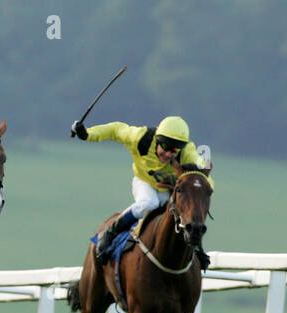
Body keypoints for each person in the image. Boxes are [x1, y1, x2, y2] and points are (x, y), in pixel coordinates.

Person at [70, 114, 212, 266]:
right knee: (148, 203)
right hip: (143, 182)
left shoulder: (187, 152)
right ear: (157, 140)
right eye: (165, 147)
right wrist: (87, 134)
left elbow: (202, 178)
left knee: (179, 211)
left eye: (174, 150)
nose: (169, 154)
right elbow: (116, 130)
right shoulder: (140, 137)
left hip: (167, 190)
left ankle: (197, 248)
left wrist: (204, 182)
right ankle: (111, 232)